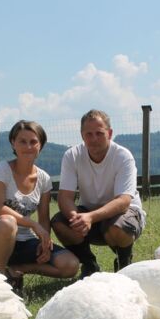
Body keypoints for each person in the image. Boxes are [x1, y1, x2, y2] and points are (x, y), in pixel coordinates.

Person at [0, 120, 79, 291]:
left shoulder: (43, 179)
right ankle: (0, 281)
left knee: (70, 265)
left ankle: (17, 270)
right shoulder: (0, 170)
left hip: (25, 242)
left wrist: (44, 243)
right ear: (13, 143)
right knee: (7, 221)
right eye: (22, 141)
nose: (28, 146)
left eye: (33, 142)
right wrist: (32, 224)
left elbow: (44, 218)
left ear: (40, 146)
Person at [51, 109, 146, 278]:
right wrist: (77, 218)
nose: (94, 139)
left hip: (122, 215)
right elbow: (65, 197)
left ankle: (124, 264)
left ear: (109, 133)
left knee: (118, 227)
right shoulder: (72, 156)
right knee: (60, 223)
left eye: (99, 133)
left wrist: (90, 217)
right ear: (82, 135)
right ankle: (89, 265)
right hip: (90, 216)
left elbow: (123, 201)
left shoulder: (123, 156)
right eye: (89, 134)